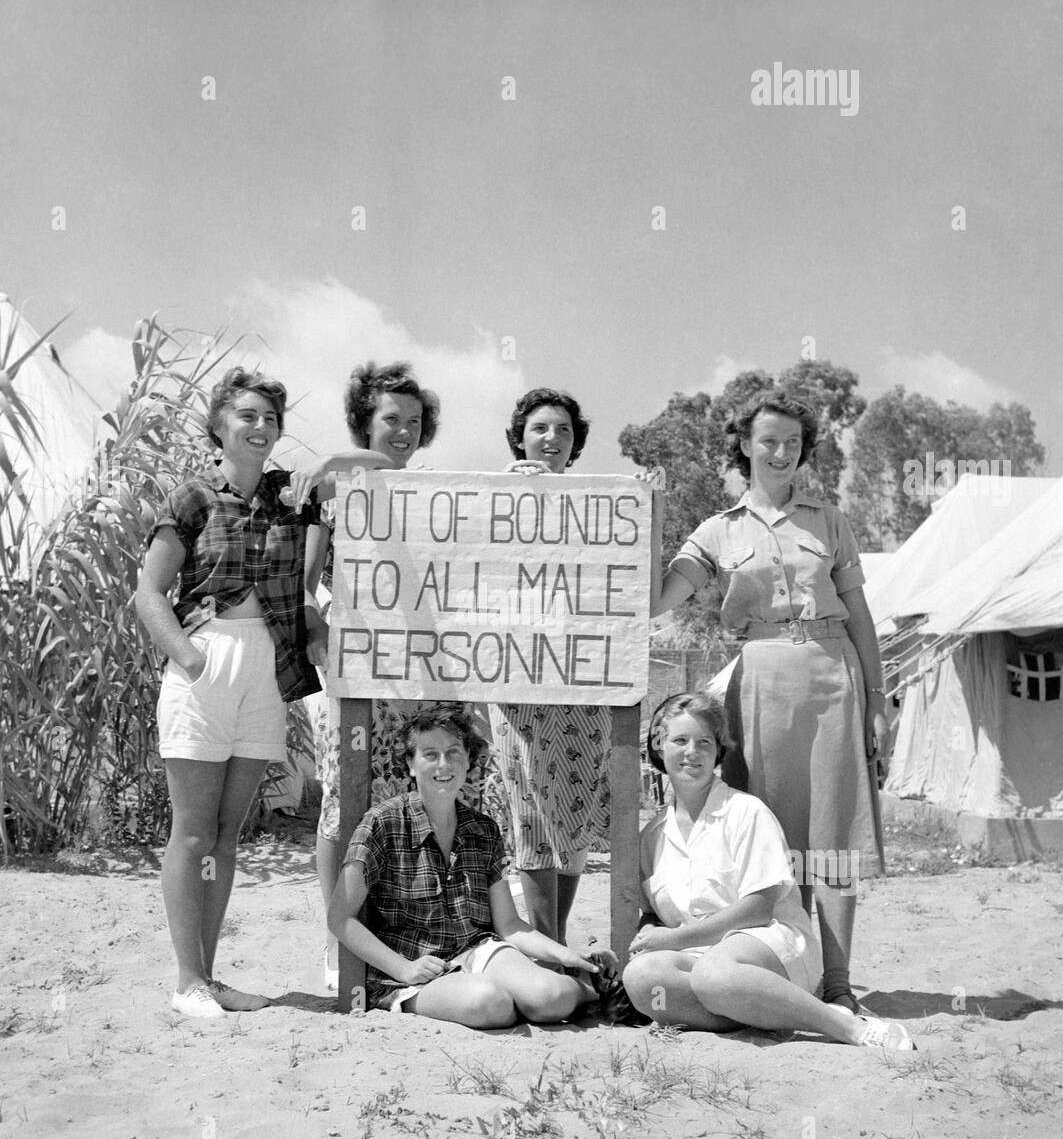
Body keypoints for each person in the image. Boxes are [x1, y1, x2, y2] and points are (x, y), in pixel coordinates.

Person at [136, 366, 393, 1018]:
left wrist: (325, 463)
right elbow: (147, 595)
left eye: (270, 418)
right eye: (246, 415)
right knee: (191, 835)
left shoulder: (291, 493)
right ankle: (186, 980)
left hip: (268, 670)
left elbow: (376, 461)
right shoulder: (193, 496)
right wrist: (190, 658)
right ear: (219, 425)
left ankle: (209, 978)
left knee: (226, 837)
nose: (260, 427)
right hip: (207, 659)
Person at [651, 389, 887, 1013]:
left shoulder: (830, 521)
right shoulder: (717, 530)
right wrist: (631, 526)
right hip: (756, 685)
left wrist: (877, 697)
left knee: (832, 833)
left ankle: (837, 983)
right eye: (768, 441)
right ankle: (793, 971)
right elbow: (660, 596)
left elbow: (861, 615)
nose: (781, 453)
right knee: (774, 833)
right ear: (745, 447)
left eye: (792, 442)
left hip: (833, 679)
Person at [305, 361, 498, 992]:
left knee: (424, 796)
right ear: (365, 420)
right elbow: (304, 590)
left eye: (416, 423)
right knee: (345, 804)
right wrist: (320, 641)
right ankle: (340, 945)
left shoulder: (432, 497)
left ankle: (426, 935)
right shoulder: (335, 496)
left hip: (428, 677)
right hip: (362, 672)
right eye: (391, 419)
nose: (405, 432)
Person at [622, 693, 913, 1048]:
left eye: (704, 742)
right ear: (658, 746)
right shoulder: (652, 835)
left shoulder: (746, 812)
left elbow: (757, 908)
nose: (691, 752)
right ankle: (761, 1011)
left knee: (716, 974)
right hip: (702, 958)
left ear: (718, 751)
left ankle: (846, 1027)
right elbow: (652, 914)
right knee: (642, 978)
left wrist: (673, 940)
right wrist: (647, 937)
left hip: (769, 944)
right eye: (679, 741)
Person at [328, 706, 613, 1026]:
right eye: (430, 754)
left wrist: (564, 954)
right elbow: (341, 917)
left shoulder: (483, 829)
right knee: (490, 1003)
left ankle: (597, 990)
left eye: (453, 753)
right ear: (410, 763)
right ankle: (516, 996)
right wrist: (402, 968)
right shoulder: (382, 823)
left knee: (551, 997)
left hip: (475, 949)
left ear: (467, 760)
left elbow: (509, 925)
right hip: (414, 968)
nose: (443, 764)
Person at [486, 388, 611, 943]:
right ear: (519, 437)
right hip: (519, 676)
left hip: (585, 678)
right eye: (540, 428)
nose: (551, 439)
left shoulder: (599, 506)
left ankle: (555, 940)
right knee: (530, 806)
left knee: (577, 804)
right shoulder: (493, 497)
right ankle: (546, 944)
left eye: (563, 430)